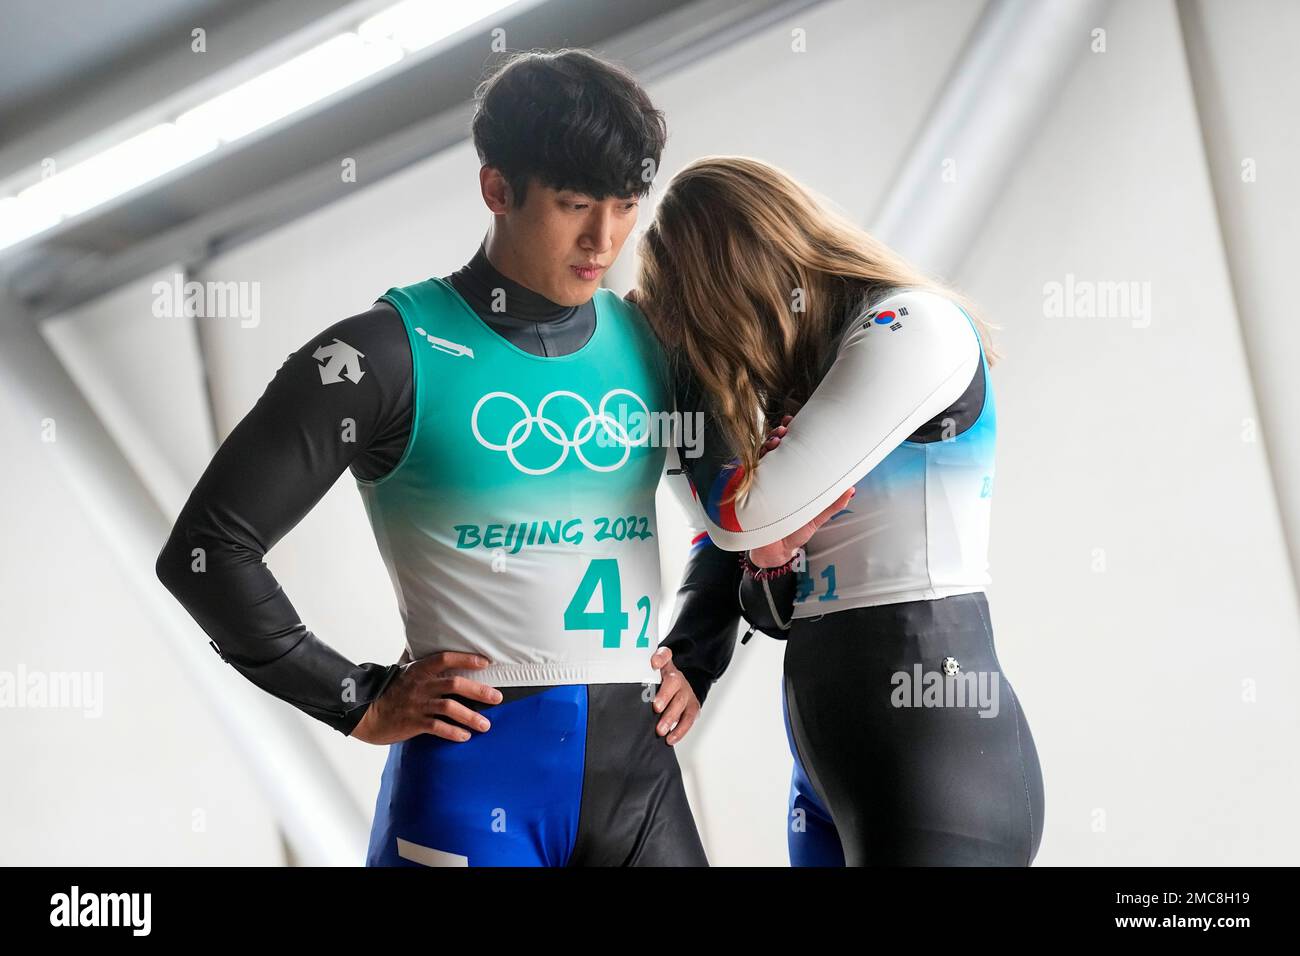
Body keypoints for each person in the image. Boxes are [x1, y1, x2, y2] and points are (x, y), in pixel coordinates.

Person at [156, 50, 744, 867]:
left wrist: (700, 652)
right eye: (575, 205)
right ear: (496, 188)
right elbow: (205, 553)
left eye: (624, 206)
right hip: (472, 787)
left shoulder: (654, 342)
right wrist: (354, 698)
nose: (603, 240)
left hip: (639, 782)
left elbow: (738, 521)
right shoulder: (385, 354)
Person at [635, 155, 1046, 866]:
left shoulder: (914, 324)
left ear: (744, 277)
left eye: (699, 322)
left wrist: (686, 369)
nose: (707, 353)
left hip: (933, 740)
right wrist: (742, 590)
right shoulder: (810, 384)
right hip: (828, 755)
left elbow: (740, 516)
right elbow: (766, 588)